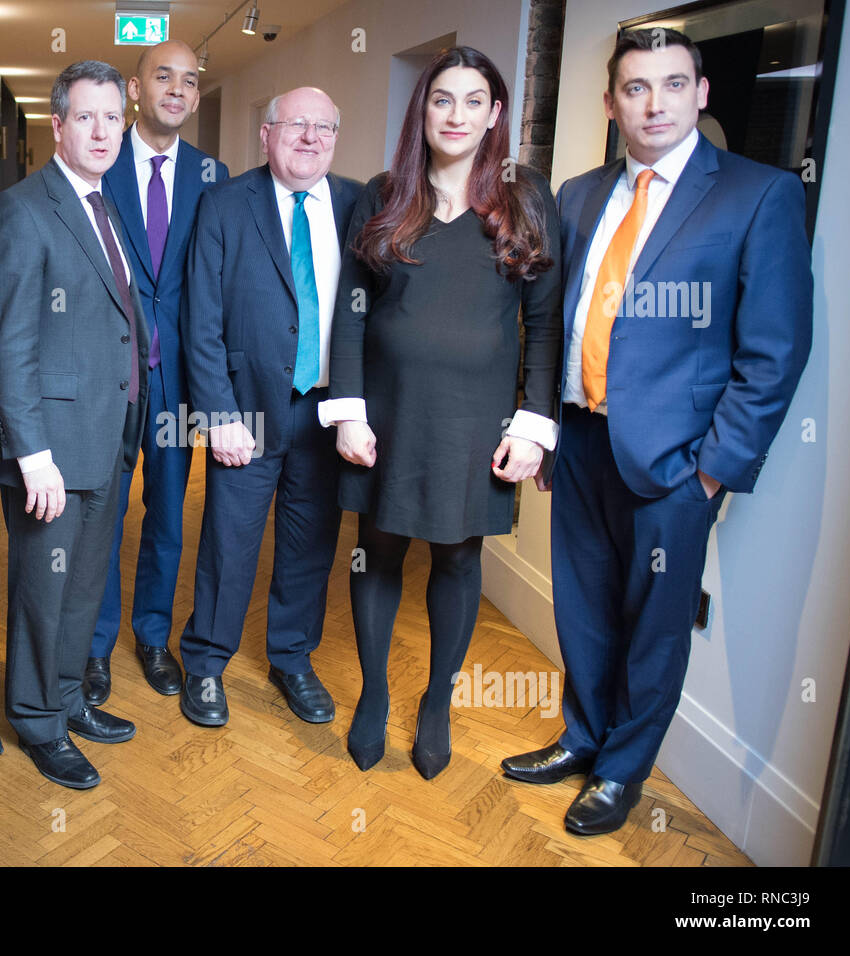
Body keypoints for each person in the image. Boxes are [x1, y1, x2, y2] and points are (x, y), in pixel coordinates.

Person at [501, 28, 812, 835]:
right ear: (611, 103)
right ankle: (582, 736)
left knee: (653, 625)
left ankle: (621, 770)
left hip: (675, 465)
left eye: (673, 84)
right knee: (584, 607)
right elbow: (557, 322)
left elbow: (774, 353)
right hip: (580, 443)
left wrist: (712, 472)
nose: (655, 103)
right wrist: (549, 423)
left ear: (701, 93)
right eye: (636, 88)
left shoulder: (758, 194)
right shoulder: (577, 193)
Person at [325, 47, 562, 779]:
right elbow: (352, 314)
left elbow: (547, 327)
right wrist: (349, 412)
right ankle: (372, 696)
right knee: (380, 550)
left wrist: (533, 426)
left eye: (472, 102)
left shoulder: (527, 202)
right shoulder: (383, 194)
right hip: (389, 414)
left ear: (495, 115)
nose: (454, 116)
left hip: (477, 420)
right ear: (421, 112)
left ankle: (435, 704)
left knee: (459, 558)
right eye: (440, 100)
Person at [0, 60, 149, 790]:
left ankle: (71, 697)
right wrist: (32, 453)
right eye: (87, 116)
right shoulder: (23, 208)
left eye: (114, 117)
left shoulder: (104, 206)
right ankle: (38, 720)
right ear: (59, 124)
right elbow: (6, 342)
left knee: (83, 583)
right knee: (45, 590)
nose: (103, 130)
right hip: (50, 447)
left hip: (107, 437)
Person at [178, 87, 362, 728]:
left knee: (312, 545)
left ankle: (292, 659)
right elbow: (200, 319)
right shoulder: (226, 203)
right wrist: (218, 414)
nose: (309, 138)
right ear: (267, 133)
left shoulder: (356, 204)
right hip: (247, 410)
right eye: (295, 125)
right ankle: (203, 663)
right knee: (229, 543)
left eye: (324, 127)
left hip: (325, 411)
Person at [84, 39, 229, 705]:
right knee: (102, 515)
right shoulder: (98, 164)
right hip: (108, 375)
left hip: (178, 382)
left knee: (167, 514)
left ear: (196, 96)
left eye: (190, 81)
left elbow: (218, 282)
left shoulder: (213, 177)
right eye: (162, 75)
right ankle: (92, 646)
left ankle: (151, 634)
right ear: (136, 89)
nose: (177, 88)